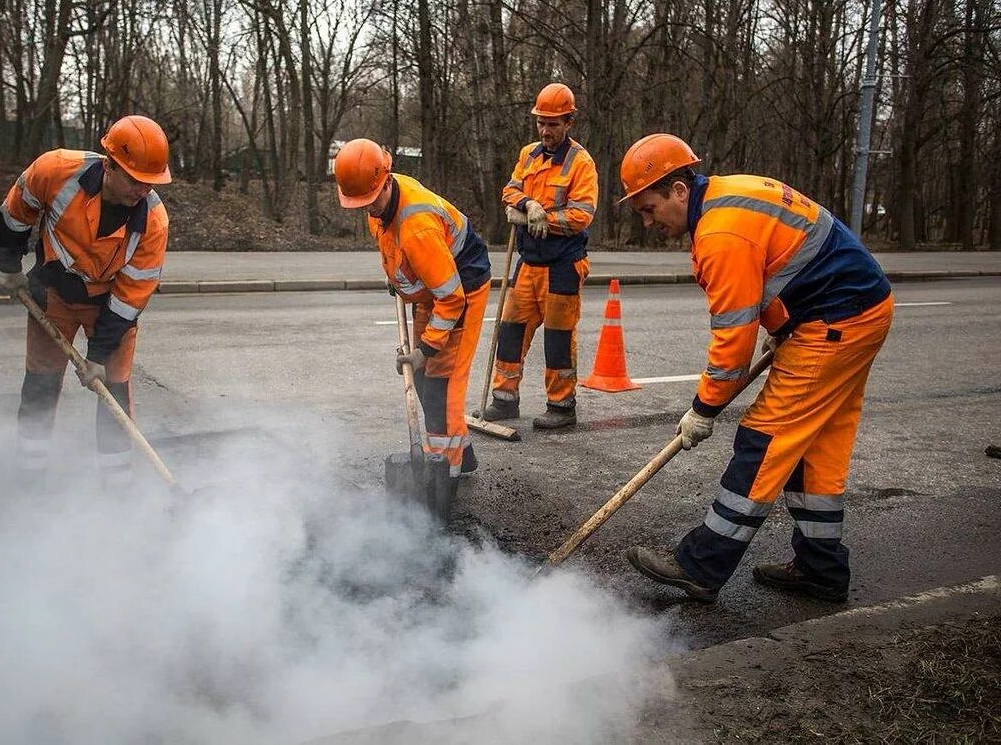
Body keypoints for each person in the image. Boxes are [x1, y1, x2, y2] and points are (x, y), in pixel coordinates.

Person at [619, 133, 894, 603]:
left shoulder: (720, 233)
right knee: (815, 450)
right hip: (854, 311)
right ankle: (821, 570)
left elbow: (732, 343)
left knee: (763, 440)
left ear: (679, 190)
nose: (647, 222)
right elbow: (787, 262)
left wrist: (704, 409)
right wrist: (786, 321)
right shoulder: (728, 193)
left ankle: (700, 566)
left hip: (835, 320)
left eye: (649, 208)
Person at [0, 115, 171, 490]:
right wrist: (9, 267)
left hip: (110, 306)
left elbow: (131, 297)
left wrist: (99, 355)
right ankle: (30, 473)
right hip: (53, 295)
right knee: (40, 383)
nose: (142, 190)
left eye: (150, 183)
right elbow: (15, 214)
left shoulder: (153, 222)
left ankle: (117, 486)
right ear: (109, 165)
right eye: (134, 179)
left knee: (114, 393)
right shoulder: (55, 171)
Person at [334, 138, 491, 477]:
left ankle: (442, 478)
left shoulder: (417, 226)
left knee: (441, 391)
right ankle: (463, 457)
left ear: (387, 179)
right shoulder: (377, 204)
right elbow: (392, 249)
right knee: (421, 379)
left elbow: (451, 298)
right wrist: (397, 281)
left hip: (461, 287)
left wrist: (427, 348)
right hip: (431, 287)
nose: (368, 209)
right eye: (361, 203)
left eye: (371, 201)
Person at [482, 83, 599, 429]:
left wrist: (541, 218)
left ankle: (561, 407)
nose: (545, 131)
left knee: (558, 337)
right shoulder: (528, 155)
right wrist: (526, 203)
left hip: (563, 264)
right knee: (510, 331)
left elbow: (582, 215)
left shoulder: (581, 163)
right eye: (541, 123)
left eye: (553, 124)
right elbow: (510, 189)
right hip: (528, 263)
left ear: (569, 122)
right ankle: (504, 401)